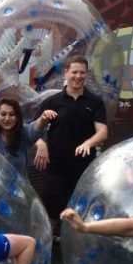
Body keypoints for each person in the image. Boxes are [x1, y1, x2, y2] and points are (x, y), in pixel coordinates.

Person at [33, 55, 108, 232]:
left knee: (81, 213)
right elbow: (33, 130)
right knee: (50, 214)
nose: (78, 76)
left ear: (86, 74)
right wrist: (41, 145)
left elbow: (103, 133)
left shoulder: (94, 101)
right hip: (55, 169)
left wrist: (88, 143)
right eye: (74, 72)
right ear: (66, 73)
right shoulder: (52, 102)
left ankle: (79, 252)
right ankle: (45, 254)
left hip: (83, 170)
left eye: (82, 73)